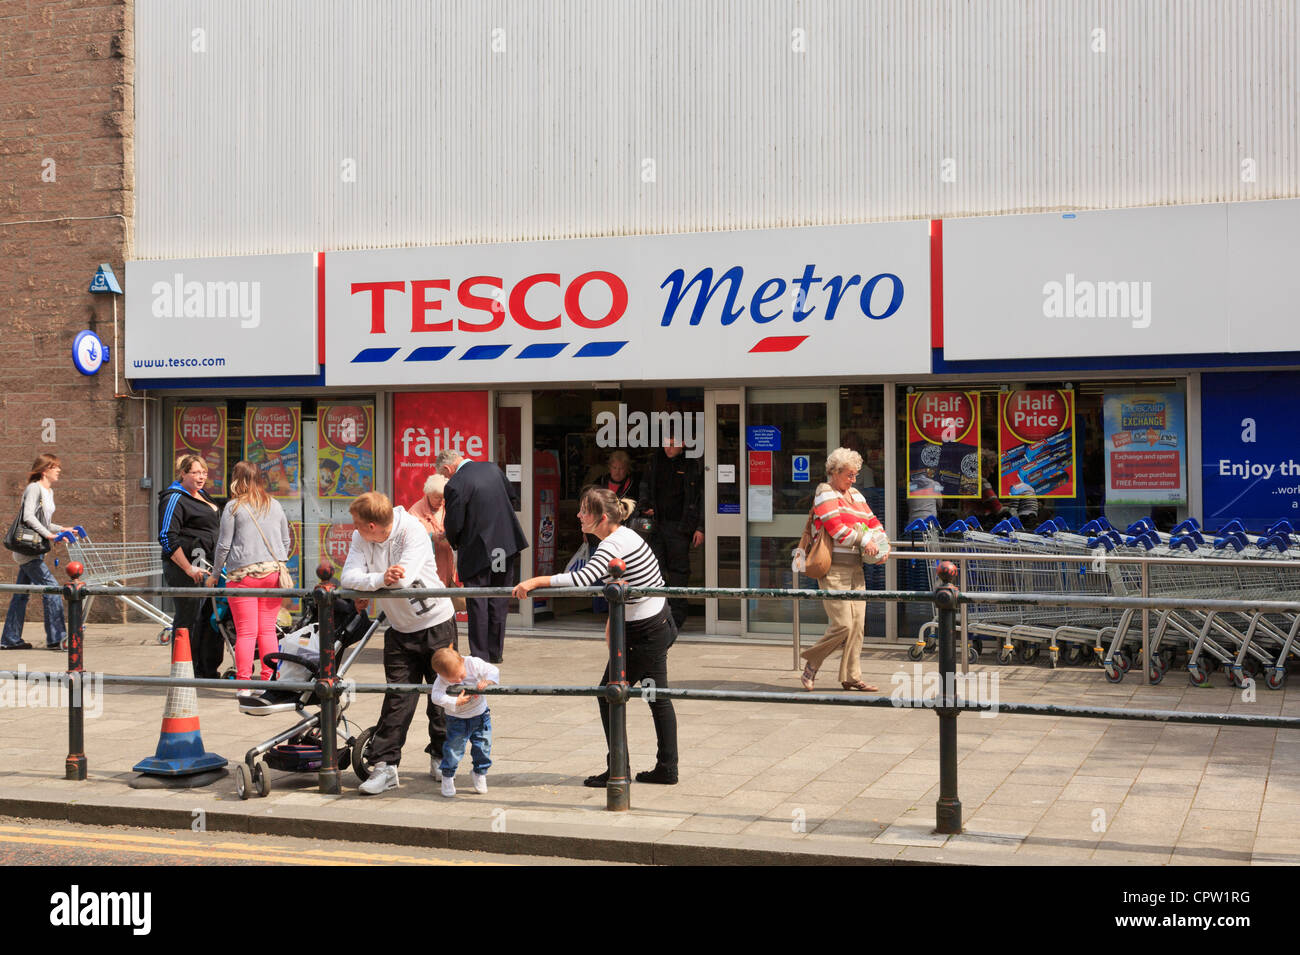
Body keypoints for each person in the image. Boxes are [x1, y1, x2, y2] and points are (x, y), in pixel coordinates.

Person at [514, 487, 678, 787]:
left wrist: (536, 580)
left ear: (601, 518)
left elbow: (581, 580)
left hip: (645, 630)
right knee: (657, 697)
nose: (578, 515)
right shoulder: (625, 536)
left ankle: (620, 770)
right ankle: (666, 767)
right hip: (656, 621)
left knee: (609, 695)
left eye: (584, 512)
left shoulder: (612, 545)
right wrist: (614, 622)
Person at [341, 491, 457, 796]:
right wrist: (379, 578)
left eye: (357, 523)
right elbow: (348, 577)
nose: (353, 528)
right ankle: (385, 766)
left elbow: (403, 580)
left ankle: (441, 757)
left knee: (441, 697)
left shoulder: (412, 530)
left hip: (436, 623)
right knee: (397, 698)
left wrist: (371, 580)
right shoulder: (360, 537)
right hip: (399, 627)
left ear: (372, 526)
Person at [797, 448, 883, 693]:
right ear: (834, 472)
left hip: (855, 566)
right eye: (849, 474)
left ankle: (852, 677)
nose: (853, 480)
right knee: (844, 624)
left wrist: (882, 544)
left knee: (857, 625)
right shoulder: (824, 492)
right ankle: (812, 662)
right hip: (833, 568)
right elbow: (836, 529)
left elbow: (872, 522)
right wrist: (867, 542)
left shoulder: (855, 494)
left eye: (855, 475)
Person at [208, 460, 290, 699]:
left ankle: (244, 684)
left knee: (246, 633)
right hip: (272, 574)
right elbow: (286, 541)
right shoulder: (274, 505)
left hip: (242, 575)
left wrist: (215, 575)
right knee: (267, 632)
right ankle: (269, 681)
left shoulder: (233, 507)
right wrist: (276, 563)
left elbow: (223, 546)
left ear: (237, 479)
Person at [437, 450, 528, 664]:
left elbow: (454, 524)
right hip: (505, 546)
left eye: (444, 475)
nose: (446, 479)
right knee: (498, 599)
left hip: (478, 551)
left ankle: (480, 655)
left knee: (478, 602)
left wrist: (454, 542)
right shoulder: (492, 468)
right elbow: (512, 498)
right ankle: (495, 652)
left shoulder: (456, 483)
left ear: (447, 468)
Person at [158, 454, 223, 677]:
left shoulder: (203, 494)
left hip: (209, 566)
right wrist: (188, 568)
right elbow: (167, 537)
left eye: (204, 472)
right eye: (195, 472)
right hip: (187, 568)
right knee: (189, 618)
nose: (201, 476)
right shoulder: (174, 497)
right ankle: (184, 669)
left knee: (210, 617)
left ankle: (207, 668)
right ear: (183, 473)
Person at [2, 454, 74, 650]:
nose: (59, 470)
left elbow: (44, 522)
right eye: (55, 467)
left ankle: (9, 638)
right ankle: (56, 638)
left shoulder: (48, 492)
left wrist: (61, 530)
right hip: (28, 551)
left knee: (21, 595)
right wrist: (49, 536)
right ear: (45, 470)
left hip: (36, 550)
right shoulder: (34, 488)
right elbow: (28, 517)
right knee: (51, 589)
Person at [638, 436, 703, 629]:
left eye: (673, 444)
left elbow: (699, 498)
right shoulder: (655, 461)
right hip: (657, 525)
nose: (668, 448)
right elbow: (645, 487)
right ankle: (656, 614)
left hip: (680, 526)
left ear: (683, 445)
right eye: (666, 443)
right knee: (655, 570)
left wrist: (700, 527)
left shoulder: (691, 464)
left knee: (679, 573)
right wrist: (646, 506)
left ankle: (677, 616)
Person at [428, 646, 499, 797]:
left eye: (460, 675)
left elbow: (493, 670)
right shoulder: (441, 679)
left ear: (462, 662)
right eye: (453, 680)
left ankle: (479, 772)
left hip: (480, 714)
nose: (459, 680)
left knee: (483, 746)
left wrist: (488, 681)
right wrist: (454, 700)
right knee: (453, 750)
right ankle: (447, 776)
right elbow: (436, 696)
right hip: (457, 720)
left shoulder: (472, 664)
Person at [409, 473, 458, 595]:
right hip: (430, 570)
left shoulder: (450, 506)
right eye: (437, 497)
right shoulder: (415, 511)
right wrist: (431, 537)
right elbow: (409, 538)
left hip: (451, 567)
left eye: (443, 497)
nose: (441, 501)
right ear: (428, 494)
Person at [586, 450, 637, 550]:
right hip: (597, 536)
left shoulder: (634, 486)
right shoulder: (599, 482)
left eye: (621, 468)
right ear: (609, 467)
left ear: (627, 469)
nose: (618, 472)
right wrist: (586, 530)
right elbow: (589, 507)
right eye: (615, 468)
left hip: (622, 537)